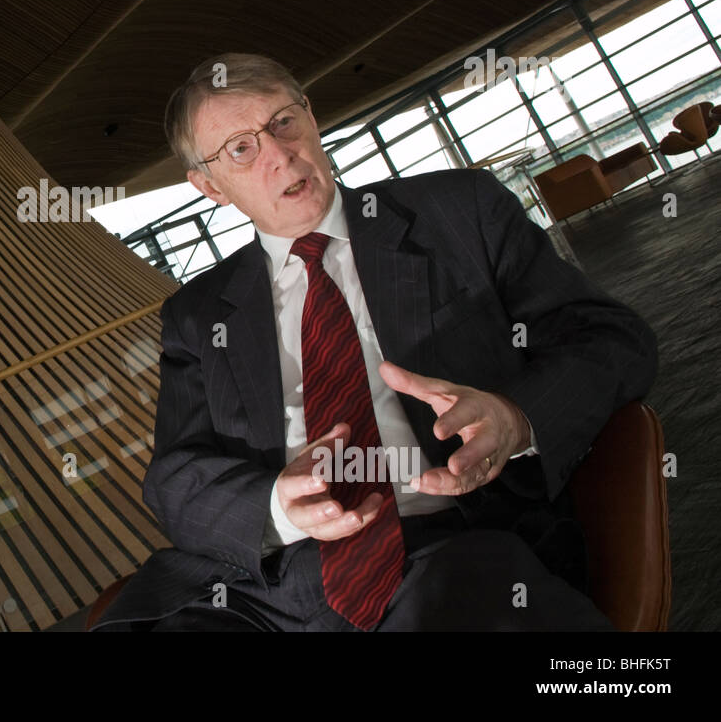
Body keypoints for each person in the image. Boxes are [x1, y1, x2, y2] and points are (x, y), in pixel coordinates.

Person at [90, 53, 658, 631]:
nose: (280, 154)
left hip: (452, 545)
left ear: (311, 117)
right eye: (241, 148)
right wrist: (276, 505)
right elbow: (174, 477)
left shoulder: (462, 213)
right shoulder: (197, 314)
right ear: (210, 185)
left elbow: (612, 338)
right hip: (268, 589)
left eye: (284, 122)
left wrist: (514, 416)